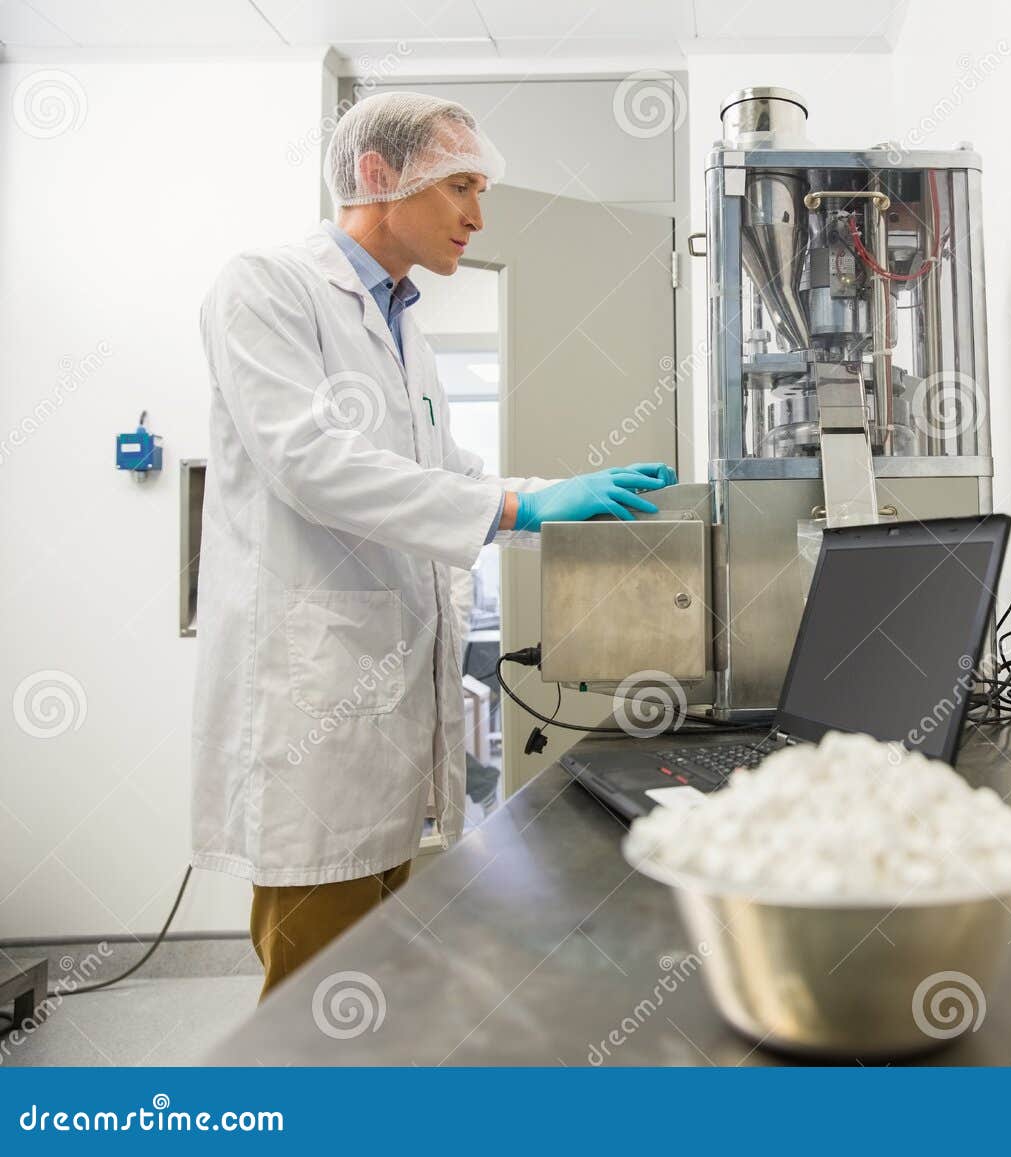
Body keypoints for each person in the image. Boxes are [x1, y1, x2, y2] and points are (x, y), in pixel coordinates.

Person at [189, 92, 675, 1000]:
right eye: (461, 186)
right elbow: (311, 464)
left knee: (377, 988)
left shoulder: (405, 325)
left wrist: (558, 497)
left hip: (383, 711)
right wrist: (517, 508)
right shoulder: (266, 285)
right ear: (378, 174)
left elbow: (444, 473)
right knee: (314, 1000)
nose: (478, 216)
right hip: (312, 714)